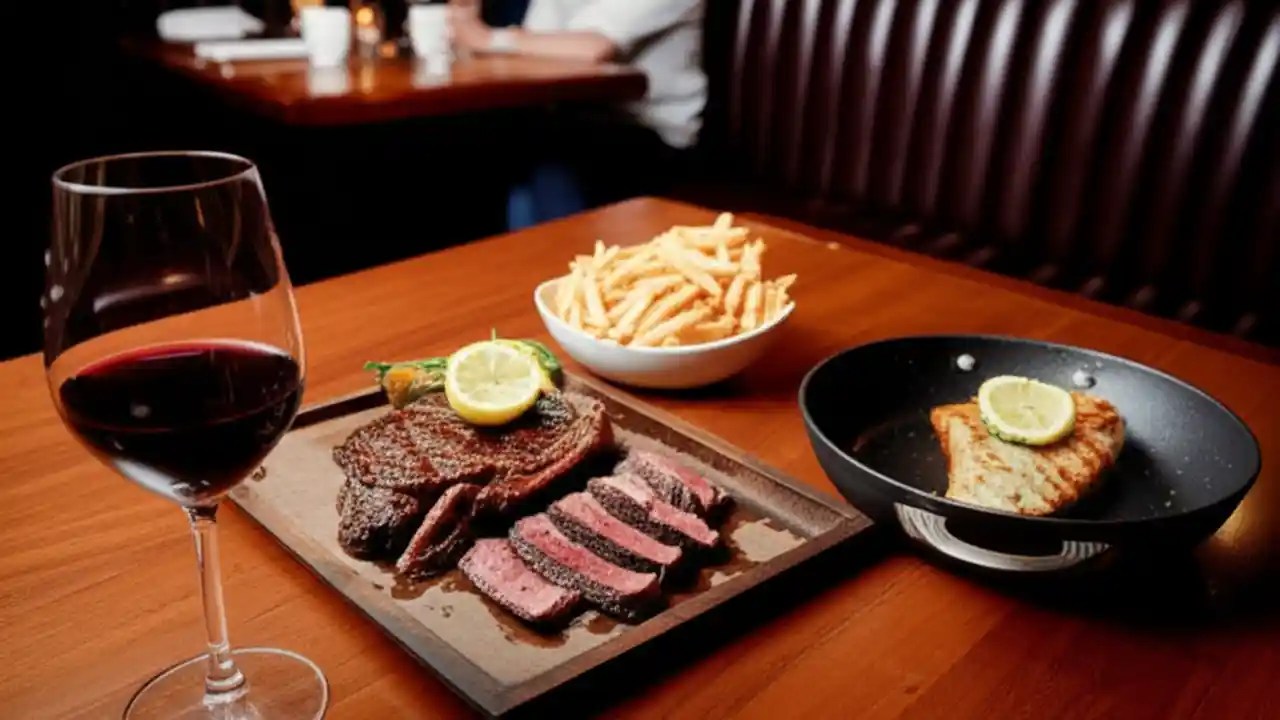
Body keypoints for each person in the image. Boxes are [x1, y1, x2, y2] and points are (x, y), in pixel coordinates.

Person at [447, 0, 707, 229]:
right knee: (459, 144)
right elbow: (533, 42)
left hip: (651, 130)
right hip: (569, 119)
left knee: (543, 153)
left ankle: (551, 267)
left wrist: (485, 38)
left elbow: (593, 47)